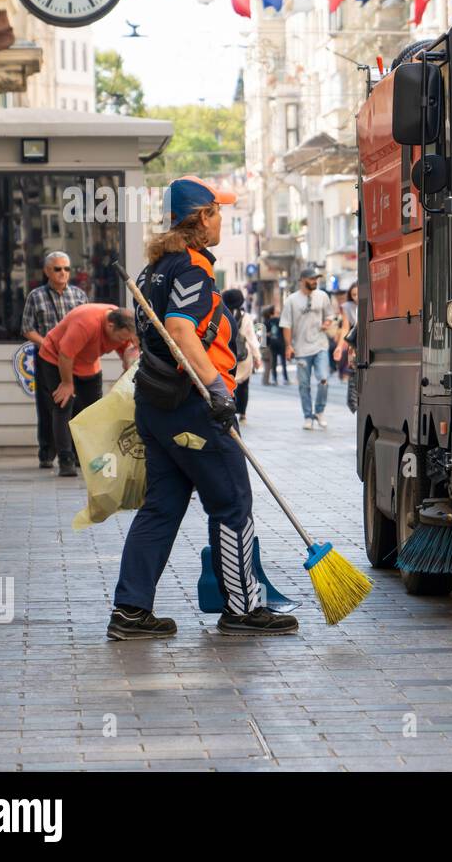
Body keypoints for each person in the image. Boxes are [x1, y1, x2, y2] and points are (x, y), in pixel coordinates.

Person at [110, 175, 297, 639]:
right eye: (217, 211)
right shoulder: (191, 269)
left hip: (155, 405)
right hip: (192, 404)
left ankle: (130, 612)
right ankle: (243, 607)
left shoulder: (153, 269)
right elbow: (179, 329)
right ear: (200, 218)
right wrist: (216, 389)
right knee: (232, 501)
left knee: (161, 508)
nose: (221, 219)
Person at [36, 303, 137, 476]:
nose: (122, 342)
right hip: (56, 358)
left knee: (93, 410)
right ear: (110, 326)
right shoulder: (86, 322)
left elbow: (126, 351)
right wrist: (67, 384)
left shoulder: (122, 326)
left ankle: (84, 457)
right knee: (64, 405)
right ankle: (66, 460)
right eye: (120, 338)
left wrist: (128, 370)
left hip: (88, 362)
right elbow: (65, 355)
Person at [21, 251, 90, 468]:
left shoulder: (79, 295)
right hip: (47, 359)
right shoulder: (36, 296)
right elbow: (26, 329)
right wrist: (48, 345)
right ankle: (47, 453)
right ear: (47, 271)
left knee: (78, 404)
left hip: (75, 359)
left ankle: (76, 453)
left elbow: (88, 326)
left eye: (67, 269)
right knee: (49, 405)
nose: (63, 273)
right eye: (58, 269)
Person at [282, 267, 335, 430]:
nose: (315, 282)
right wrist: (288, 346)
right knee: (304, 385)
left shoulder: (322, 296)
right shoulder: (291, 300)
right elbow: (286, 325)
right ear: (302, 280)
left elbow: (330, 315)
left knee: (323, 379)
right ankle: (308, 416)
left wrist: (327, 322)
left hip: (320, 345)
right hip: (301, 349)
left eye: (316, 279)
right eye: (312, 279)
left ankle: (319, 411)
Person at [221, 288, 261, 424]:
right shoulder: (246, 317)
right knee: (244, 387)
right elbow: (252, 339)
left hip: (227, 355)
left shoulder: (221, 315)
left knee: (228, 384)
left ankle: (229, 410)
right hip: (244, 357)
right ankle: (242, 413)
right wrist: (257, 357)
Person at [262, 305, 289, 385]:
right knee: (283, 362)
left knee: (274, 362)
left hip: (272, 344)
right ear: (273, 312)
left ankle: (274, 379)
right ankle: (285, 379)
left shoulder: (266, 321)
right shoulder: (281, 320)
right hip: (281, 343)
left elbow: (260, 333)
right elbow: (285, 331)